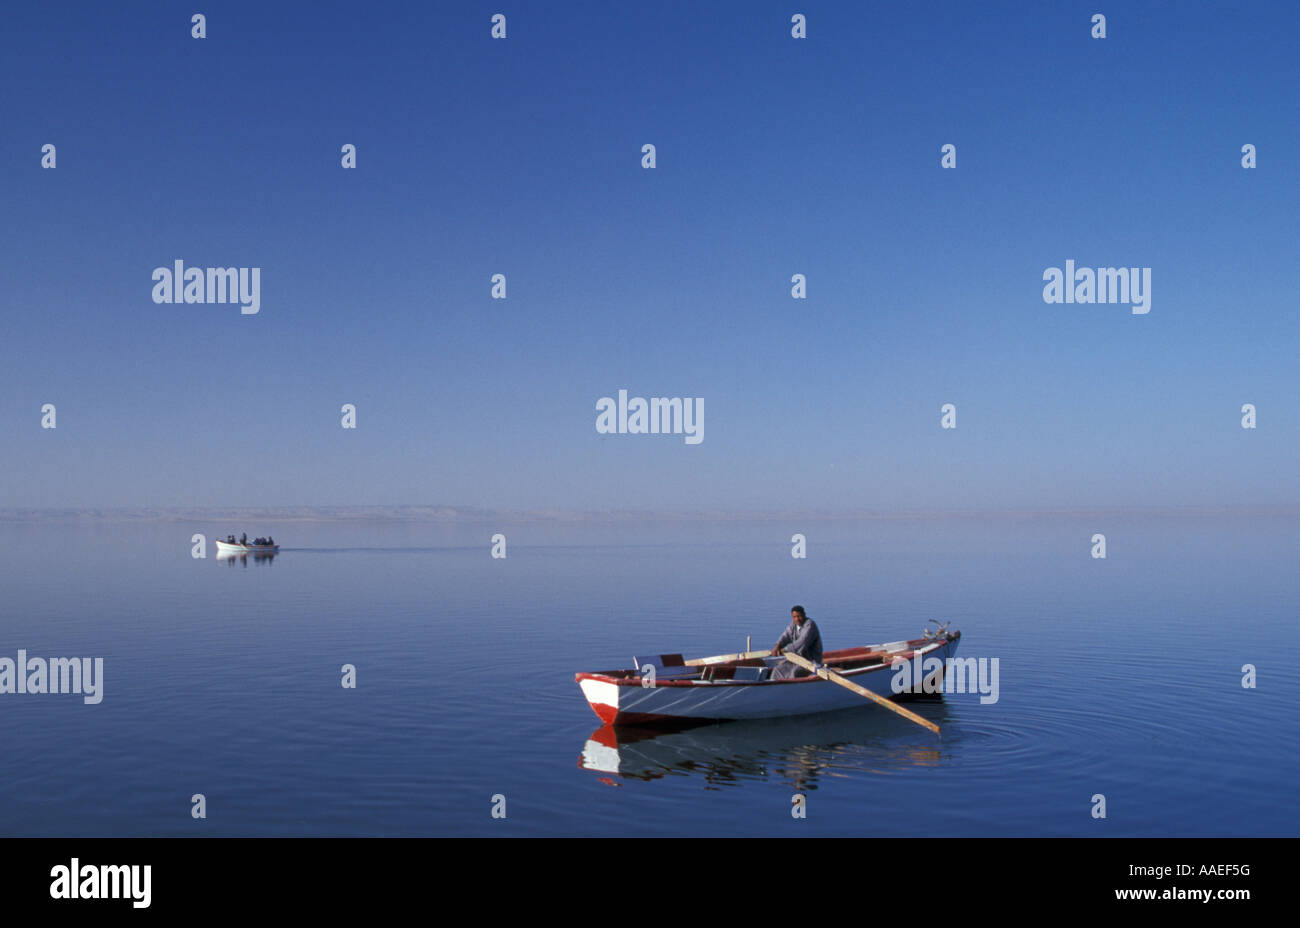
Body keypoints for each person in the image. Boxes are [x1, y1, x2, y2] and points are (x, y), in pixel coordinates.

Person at [770, 605, 822, 680]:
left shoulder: (810, 625)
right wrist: (777, 646)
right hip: (796, 658)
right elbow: (785, 636)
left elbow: (801, 642)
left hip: (810, 661)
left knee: (794, 672)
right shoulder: (793, 625)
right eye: (794, 617)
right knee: (777, 670)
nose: (797, 619)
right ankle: (775, 686)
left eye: (799, 616)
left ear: (804, 615)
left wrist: (785, 650)